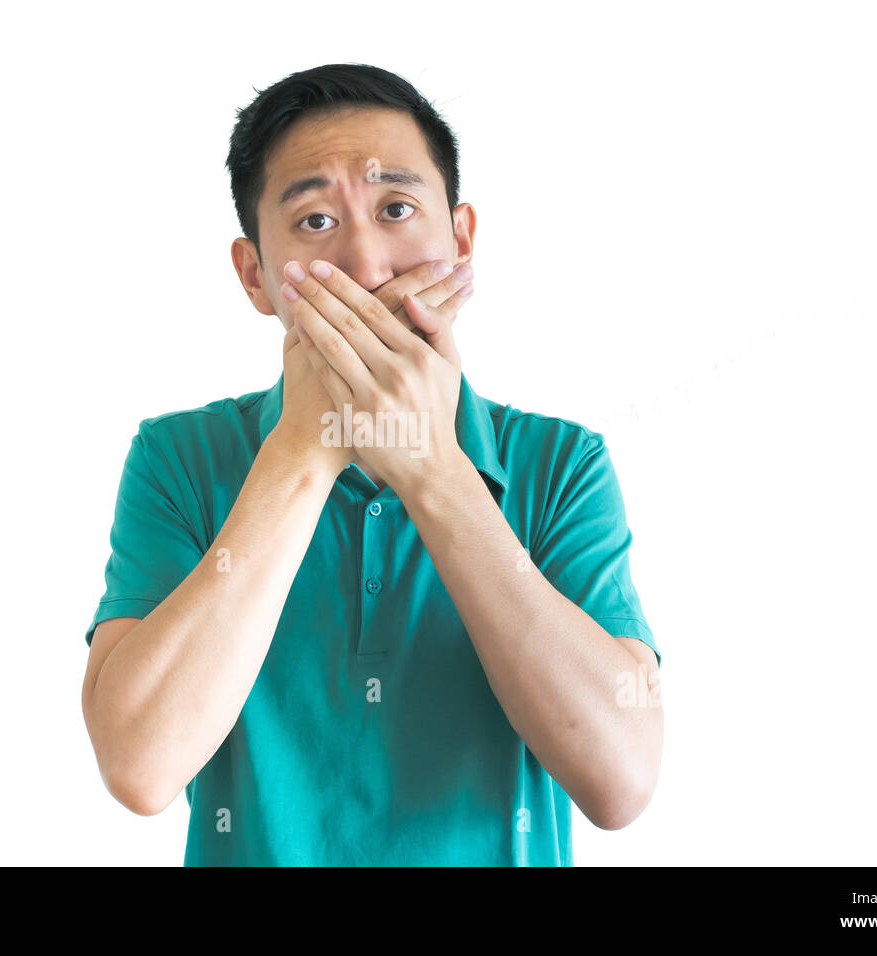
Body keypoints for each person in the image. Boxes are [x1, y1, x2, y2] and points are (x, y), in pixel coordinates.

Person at [80, 63, 663, 865]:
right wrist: (304, 449)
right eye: (316, 222)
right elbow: (139, 764)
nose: (365, 264)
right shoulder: (180, 459)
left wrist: (433, 470)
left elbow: (622, 779)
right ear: (255, 276)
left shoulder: (562, 465)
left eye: (396, 208)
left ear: (460, 240)